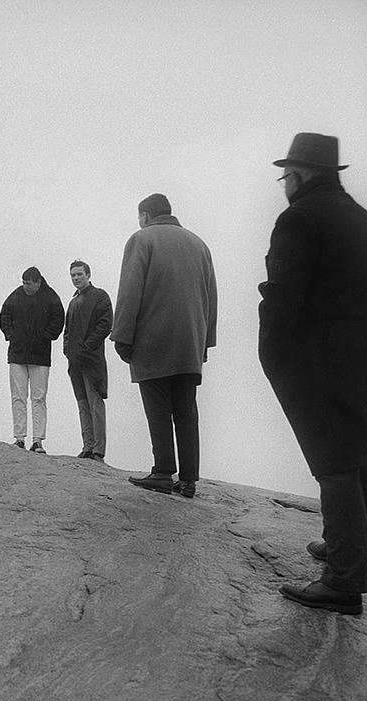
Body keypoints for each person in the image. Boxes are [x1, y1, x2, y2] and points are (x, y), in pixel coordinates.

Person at [260, 133, 367, 616]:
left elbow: (283, 297)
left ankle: (343, 580)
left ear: (300, 175)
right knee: (354, 453)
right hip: (361, 353)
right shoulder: (366, 223)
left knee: (333, 460)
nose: (284, 185)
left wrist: (271, 354)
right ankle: (348, 545)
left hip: (316, 357)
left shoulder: (299, 219)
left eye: (285, 177)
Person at [111, 193, 217, 498]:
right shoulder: (199, 245)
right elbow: (211, 297)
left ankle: (162, 472)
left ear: (145, 216)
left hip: (153, 340)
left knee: (157, 407)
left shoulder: (142, 240)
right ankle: (189, 480)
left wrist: (122, 336)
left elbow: (130, 291)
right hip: (190, 344)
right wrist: (205, 342)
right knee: (186, 409)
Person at [0, 266, 65, 454]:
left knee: (38, 398)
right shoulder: (16, 295)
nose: (25, 286)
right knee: (18, 397)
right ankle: (19, 438)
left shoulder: (51, 297)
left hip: (40, 355)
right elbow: (4, 315)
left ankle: (38, 441)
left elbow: (58, 320)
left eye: (28, 283)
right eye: (23, 283)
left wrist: (45, 337)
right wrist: (11, 335)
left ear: (38, 282)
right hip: (17, 354)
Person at [63, 260, 113, 463]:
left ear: (88, 274)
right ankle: (87, 446)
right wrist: (68, 350)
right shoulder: (73, 301)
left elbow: (105, 325)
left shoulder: (100, 296)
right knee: (82, 403)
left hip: (92, 360)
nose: (76, 278)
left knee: (95, 403)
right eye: (73, 275)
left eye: (79, 274)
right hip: (75, 362)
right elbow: (67, 331)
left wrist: (86, 347)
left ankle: (98, 451)